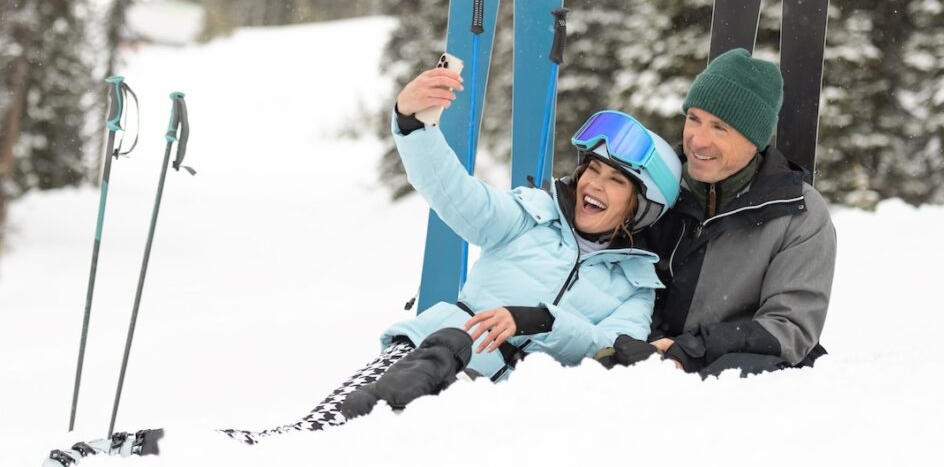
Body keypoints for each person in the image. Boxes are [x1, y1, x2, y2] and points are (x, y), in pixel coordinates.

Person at [44, 66, 683, 464]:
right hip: (432, 351)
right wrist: (413, 124)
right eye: (592, 169)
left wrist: (540, 320)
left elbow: (611, 346)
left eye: (615, 180)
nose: (594, 185)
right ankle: (164, 452)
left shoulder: (633, 281)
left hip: (492, 408)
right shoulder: (529, 215)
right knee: (321, 440)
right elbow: (456, 196)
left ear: (640, 205)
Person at [600, 48, 836, 377]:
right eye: (693, 118)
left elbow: (790, 328)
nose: (698, 140)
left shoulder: (798, 212)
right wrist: (644, 343)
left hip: (729, 376)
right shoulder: (653, 186)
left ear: (755, 140)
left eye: (719, 128)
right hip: (637, 357)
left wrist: (690, 350)